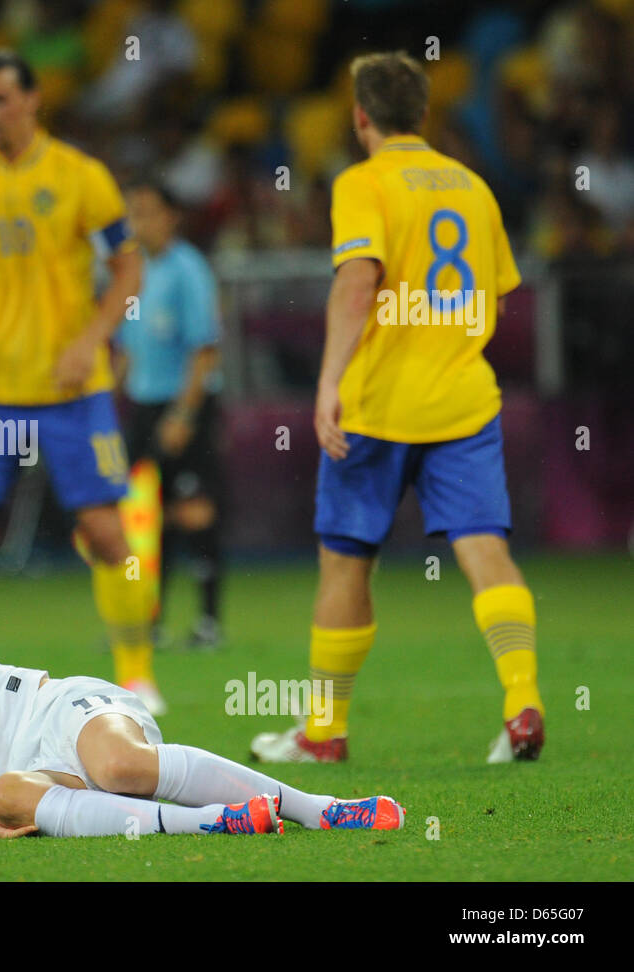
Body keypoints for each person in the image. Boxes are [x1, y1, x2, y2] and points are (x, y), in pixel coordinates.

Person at [252, 52, 544, 765]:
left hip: (378, 405)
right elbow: (499, 291)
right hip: (462, 400)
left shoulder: (363, 181)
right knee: (485, 548)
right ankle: (522, 701)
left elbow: (358, 280)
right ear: (422, 113)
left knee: (347, 563)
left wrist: (328, 383)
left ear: (359, 118)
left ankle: (323, 731)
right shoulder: (472, 187)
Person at [0, 49, 165, 714]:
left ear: (32, 100)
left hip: (73, 389)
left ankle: (135, 676)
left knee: (105, 532)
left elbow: (128, 269)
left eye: (0, 101)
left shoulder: (82, 177)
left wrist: (91, 339)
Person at [0, 627, 405, 837]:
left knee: (121, 766)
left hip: (56, 708)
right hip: (41, 773)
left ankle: (323, 811)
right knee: (7, 793)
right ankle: (217, 820)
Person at [115, 178, 225, 650]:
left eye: (147, 212)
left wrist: (182, 415)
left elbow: (204, 350)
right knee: (143, 516)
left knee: (193, 511)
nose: (138, 222)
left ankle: (208, 622)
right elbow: (125, 348)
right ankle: (150, 622)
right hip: (143, 403)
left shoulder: (188, 269)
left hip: (184, 403)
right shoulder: (134, 271)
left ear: (170, 217)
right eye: (132, 213)